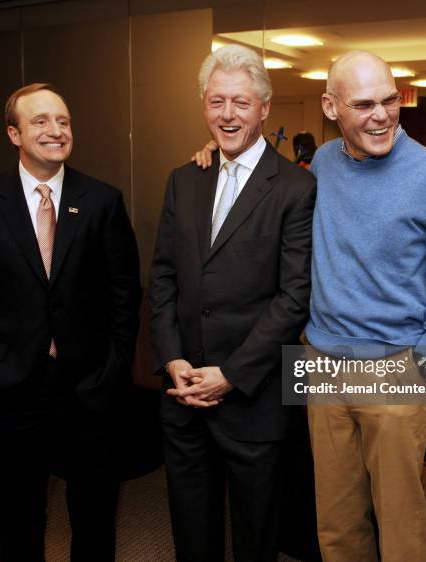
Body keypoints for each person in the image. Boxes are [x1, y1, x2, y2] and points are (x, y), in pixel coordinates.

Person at [193, 50, 426, 562]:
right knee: (335, 520)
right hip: (323, 369)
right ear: (331, 108)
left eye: (390, 101)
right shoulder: (320, 166)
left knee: (399, 522)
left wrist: (420, 367)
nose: (381, 115)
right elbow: (261, 176)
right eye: (364, 103)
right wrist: (215, 156)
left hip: (395, 369)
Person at [0, 83, 141, 562]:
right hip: (5, 389)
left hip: (87, 386)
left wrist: (114, 368)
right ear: (14, 134)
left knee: (94, 513)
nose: (56, 131)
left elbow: (124, 293)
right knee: (16, 516)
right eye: (41, 122)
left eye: (64, 121)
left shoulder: (103, 200)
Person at [150, 44, 316, 562]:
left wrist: (232, 374)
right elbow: (162, 277)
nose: (228, 114)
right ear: (203, 105)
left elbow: (294, 297)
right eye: (217, 101)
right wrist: (173, 359)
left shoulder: (296, 187)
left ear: (265, 109)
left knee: (255, 539)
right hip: (184, 394)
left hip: (253, 398)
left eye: (241, 103)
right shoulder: (184, 179)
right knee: (191, 535)